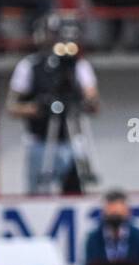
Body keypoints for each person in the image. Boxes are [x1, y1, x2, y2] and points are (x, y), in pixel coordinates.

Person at [7, 12, 101, 194]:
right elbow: (12, 107)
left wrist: (83, 103)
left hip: (72, 139)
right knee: (39, 193)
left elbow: (94, 103)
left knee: (77, 190)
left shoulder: (79, 66)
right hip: (40, 141)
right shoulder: (29, 66)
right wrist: (38, 107)